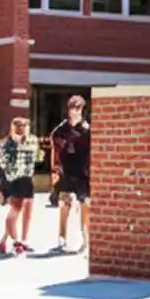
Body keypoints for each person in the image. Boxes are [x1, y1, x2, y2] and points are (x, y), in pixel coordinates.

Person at [50, 95, 92, 254]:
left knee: (85, 205)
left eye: (78, 108)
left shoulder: (87, 131)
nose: (75, 111)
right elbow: (54, 152)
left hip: (82, 173)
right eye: (72, 107)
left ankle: (85, 239)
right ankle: (61, 239)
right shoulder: (60, 131)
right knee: (65, 204)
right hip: (66, 171)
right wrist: (54, 171)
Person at [0, 117, 38, 256]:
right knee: (16, 209)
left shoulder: (32, 140)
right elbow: (1, 162)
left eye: (25, 126)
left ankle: (18, 240)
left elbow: (35, 157)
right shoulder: (6, 142)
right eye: (19, 126)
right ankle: (16, 241)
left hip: (27, 178)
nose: (22, 129)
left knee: (28, 209)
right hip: (13, 179)